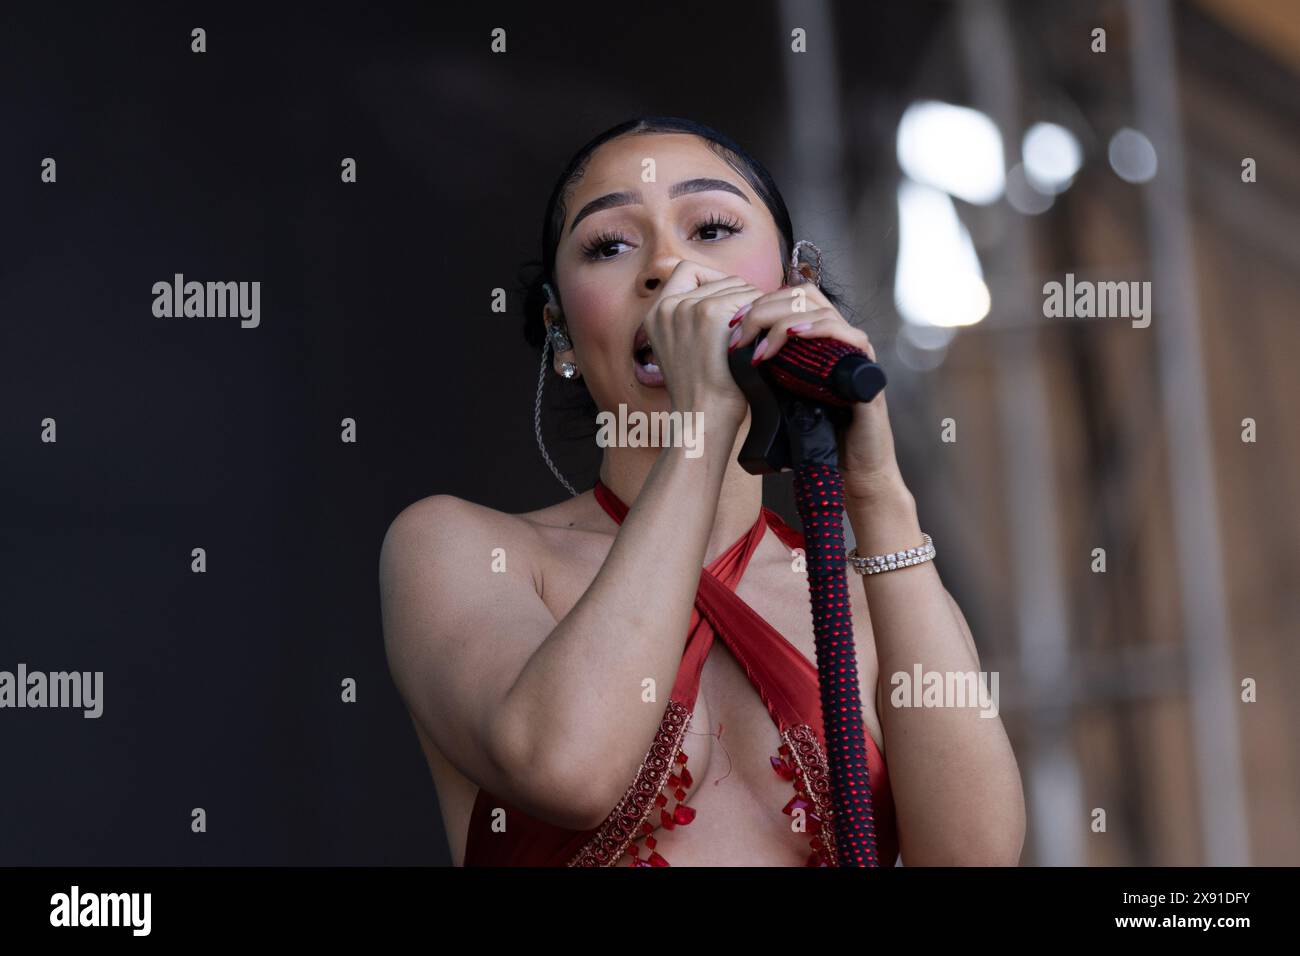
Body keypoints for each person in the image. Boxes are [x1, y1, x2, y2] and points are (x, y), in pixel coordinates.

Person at [379, 116, 1025, 866]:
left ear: (795, 286)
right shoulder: (457, 549)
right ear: (559, 332)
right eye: (610, 245)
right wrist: (702, 423)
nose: (668, 267)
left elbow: (975, 857)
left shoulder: (870, 597)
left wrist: (878, 495)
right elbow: (567, 766)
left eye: (712, 227)